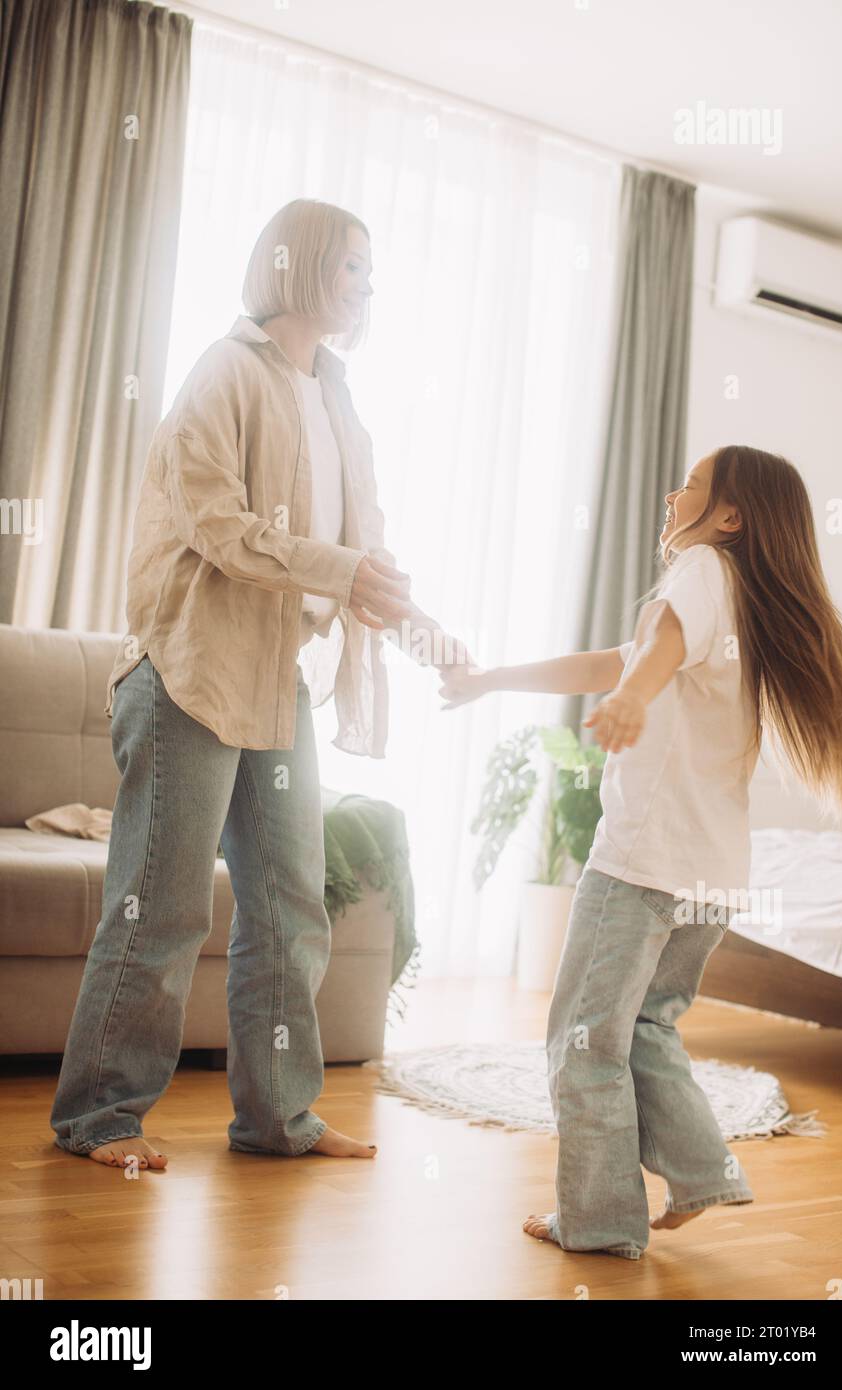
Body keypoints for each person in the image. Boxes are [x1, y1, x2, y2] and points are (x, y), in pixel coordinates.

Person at [50, 198, 467, 1172]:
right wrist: (341, 570)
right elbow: (219, 526)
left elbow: (358, 557)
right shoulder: (225, 373)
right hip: (189, 671)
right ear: (300, 264)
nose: (367, 285)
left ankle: (279, 1119)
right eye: (352, 265)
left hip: (279, 686)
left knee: (289, 908)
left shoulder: (339, 401)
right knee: (163, 909)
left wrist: (432, 639)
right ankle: (98, 1121)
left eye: (372, 268)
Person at [439, 444, 842, 1257]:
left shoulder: (703, 569)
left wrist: (633, 697)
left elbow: (656, 647)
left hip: (642, 863)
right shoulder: (746, 598)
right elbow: (617, 660)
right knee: (644, 1030)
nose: (674, 496)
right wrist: (493, 678)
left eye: (693, 488)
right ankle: (701, 1172)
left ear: (729, 515)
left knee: (583, 1037)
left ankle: (599, 1223)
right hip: (711, 875)